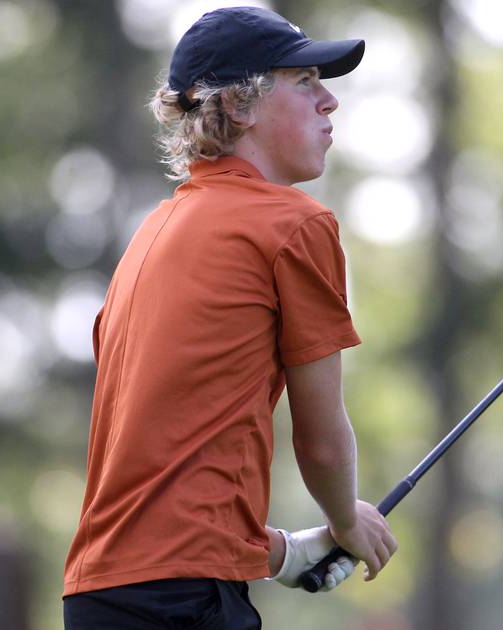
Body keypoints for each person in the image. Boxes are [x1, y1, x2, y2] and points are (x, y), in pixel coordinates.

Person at [62, 6, 397, 629]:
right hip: (185, 602)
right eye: (305, 83)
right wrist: (347, 521)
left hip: (96, 598)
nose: (330, 103)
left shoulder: (151, 235)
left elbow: (163, 473)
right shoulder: (295, 225)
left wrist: (286, 552)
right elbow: (320, 439)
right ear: (240, 106)